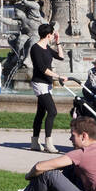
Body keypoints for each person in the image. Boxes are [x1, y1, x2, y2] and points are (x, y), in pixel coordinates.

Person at [29, 23, 66, 153]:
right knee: (52, 111)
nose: (52, 37)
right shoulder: (35, 48)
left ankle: (34, 142)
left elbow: (61, 57)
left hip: (47, 84)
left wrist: (58, 42)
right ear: (48, 35)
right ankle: (48, 143)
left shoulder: (47, 48)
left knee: (41, 112)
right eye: (52, 35)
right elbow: (42, 69)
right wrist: (58, 76)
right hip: (39, 83)